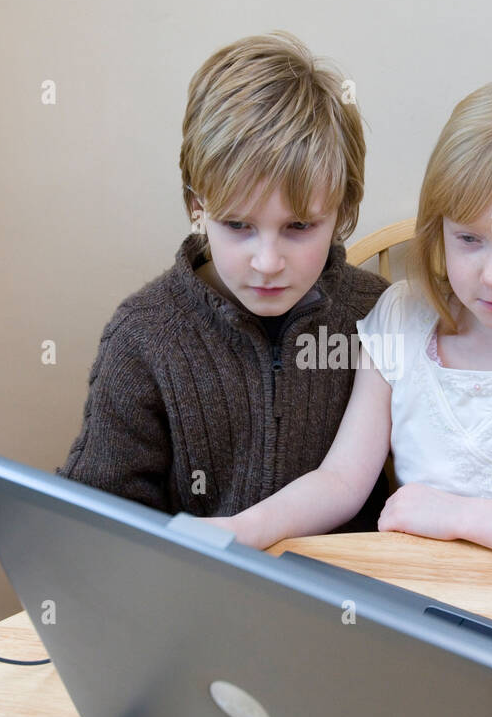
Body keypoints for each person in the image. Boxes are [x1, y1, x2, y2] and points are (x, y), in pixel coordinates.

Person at [201, 72, 492, 574]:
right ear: (439, 229)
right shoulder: (402, 318)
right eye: (469, 239)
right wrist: (243, 528)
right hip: (424, 603)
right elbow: (341, 481)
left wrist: (460, 517)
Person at [56, 31, 390, 529]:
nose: (268, 262)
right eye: (238, 226)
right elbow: (96, 524)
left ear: (341, 209)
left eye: (299, 227)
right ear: (197, 207)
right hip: (199, 595)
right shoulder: (144, 338)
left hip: (344, 595)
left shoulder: (377, 316)